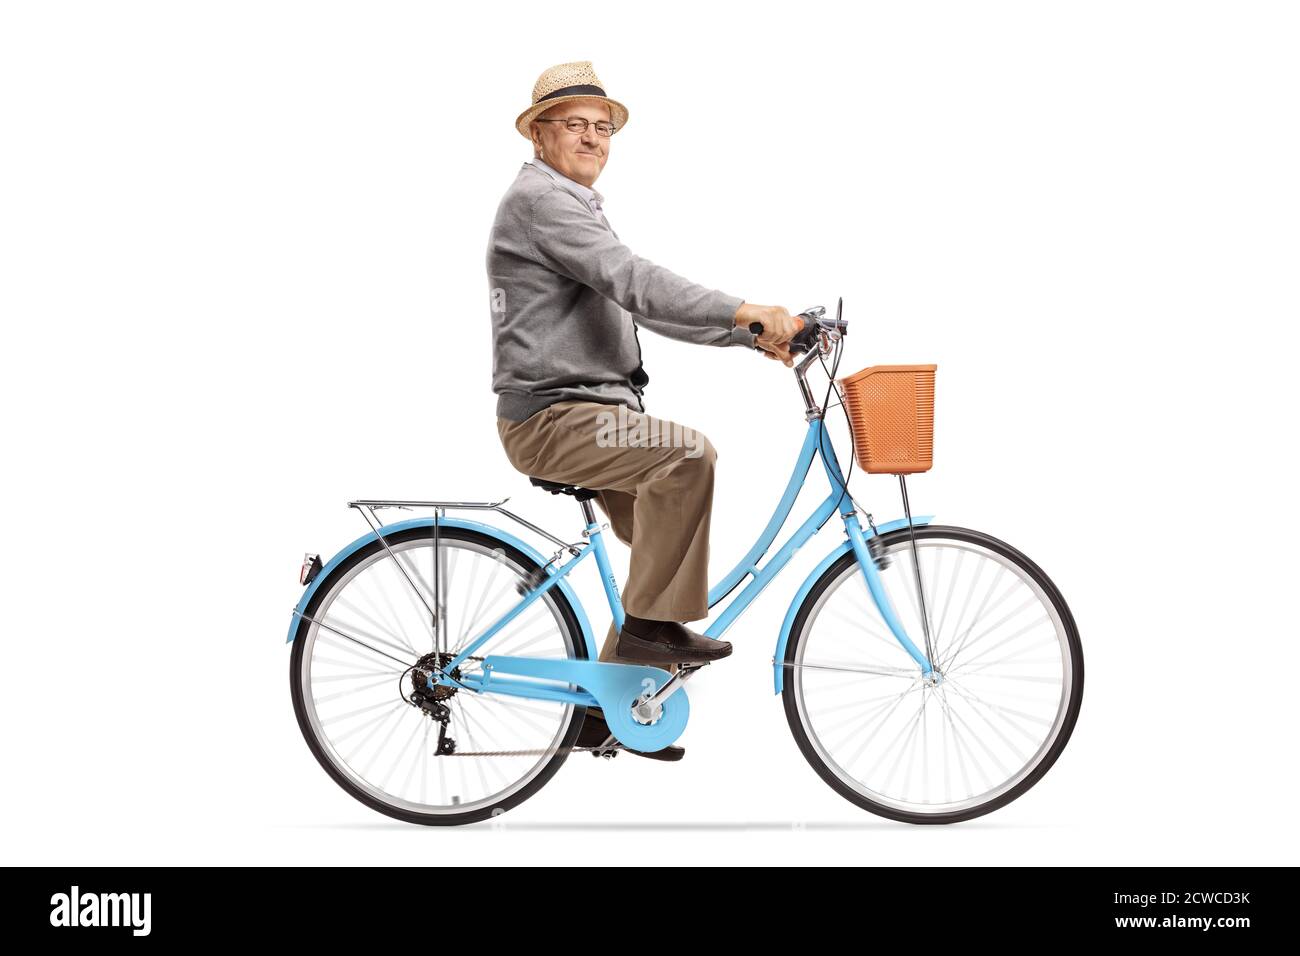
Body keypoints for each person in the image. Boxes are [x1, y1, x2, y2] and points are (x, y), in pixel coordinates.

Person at [487, 61, 801, 759]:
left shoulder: (567, 201)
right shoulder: (543, 201)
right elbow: (634, 281)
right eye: (575, 125)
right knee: (686, 459)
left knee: (663, 556)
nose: (593, 138)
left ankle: (604, 708)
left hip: (585, 411)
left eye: (602, 128)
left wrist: (748, 334)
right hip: (554, 416)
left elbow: (636, 303)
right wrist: (744, 307)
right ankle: (645, 639)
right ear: (538, 134)